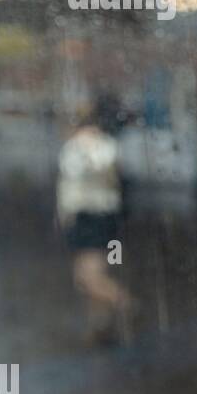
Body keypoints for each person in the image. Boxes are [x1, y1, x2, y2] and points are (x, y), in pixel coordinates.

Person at [57, 103, 134, 345]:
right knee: (95, 274)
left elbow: (75, 184)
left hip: (91, 217)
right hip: (101, 217)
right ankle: (99, 327)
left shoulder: (79, 148)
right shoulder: (107, 144)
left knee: (86, 277)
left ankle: (124, 302)